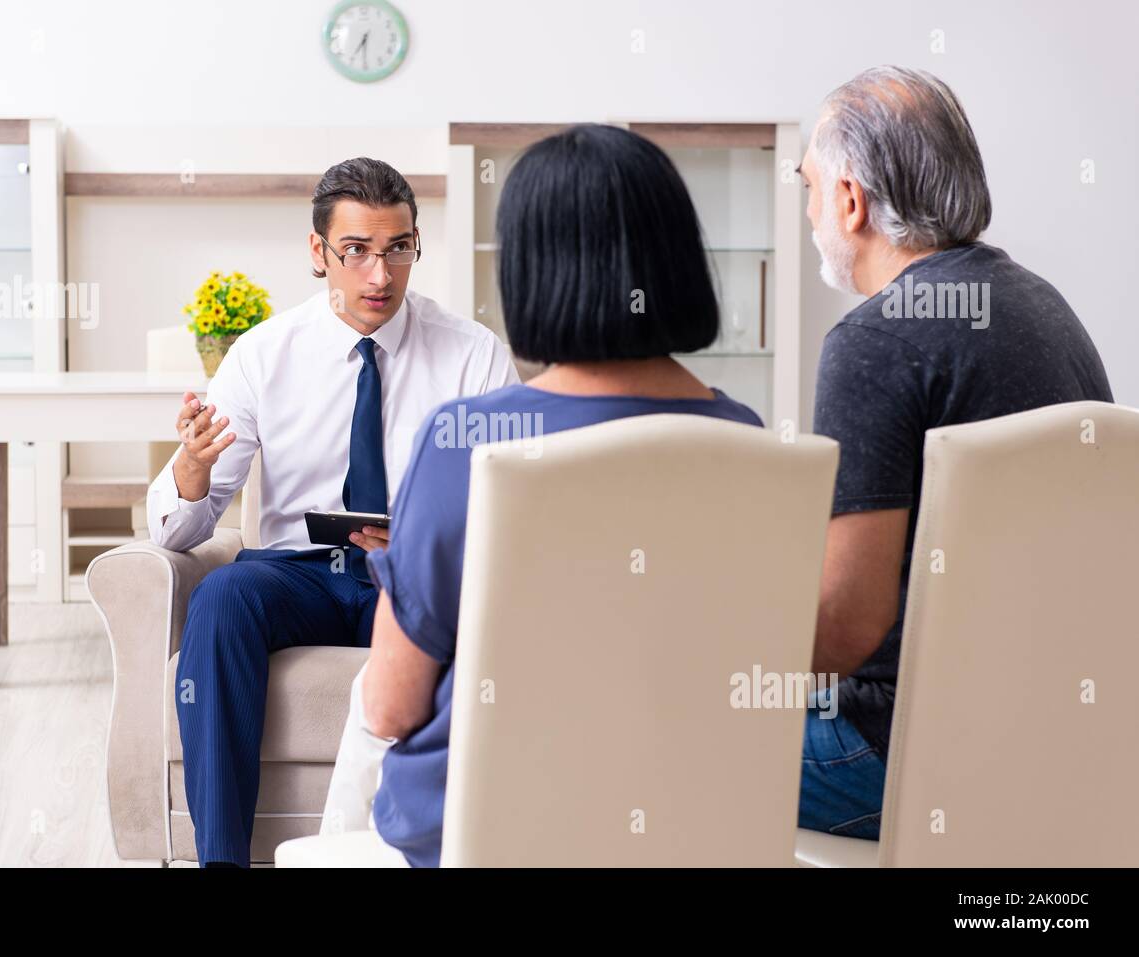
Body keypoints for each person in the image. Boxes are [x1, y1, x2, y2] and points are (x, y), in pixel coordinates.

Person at [338, 123, 765, 867]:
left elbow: (390, 706)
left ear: (532, 272)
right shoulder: (747, 439)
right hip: (692, 832)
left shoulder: (466, 440)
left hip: (487, 834)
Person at [146, 157, 519, 867]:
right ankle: (220, 861)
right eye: (357, 252)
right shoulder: (262, 355)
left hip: (419, 579)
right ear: (319, 253)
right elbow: (176, 529)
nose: (379, 276)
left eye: (397, 249)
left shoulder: (473, 357)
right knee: (225, 594)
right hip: (303, 575)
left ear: (416, 244)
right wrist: (191, 470)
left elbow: (517, 508)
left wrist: (427, 539)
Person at [797, 66, 1113, 839]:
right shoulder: (1045, 308)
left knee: (665, 741)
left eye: (805, 186)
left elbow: (847, 625)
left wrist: (720, 647)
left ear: (849, 199)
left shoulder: (873, 340)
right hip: (1060, 744)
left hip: (901, 750)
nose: (807, 210)